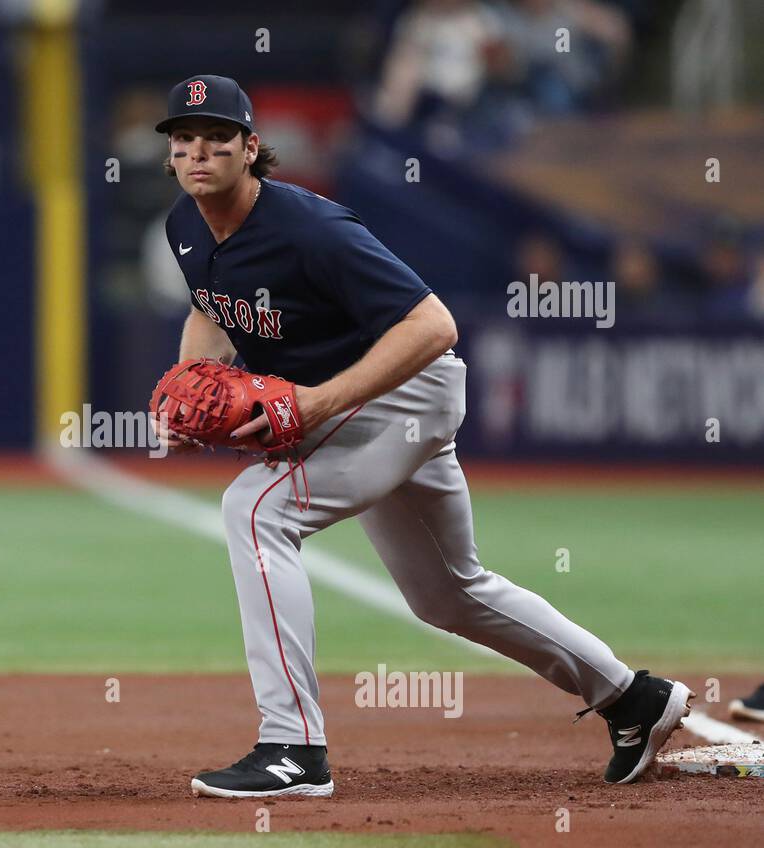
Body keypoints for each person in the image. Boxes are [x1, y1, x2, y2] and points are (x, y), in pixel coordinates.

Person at [149, 74, 691, 797]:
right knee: (449, 594)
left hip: (406, 392)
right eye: (184, 141)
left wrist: (318, 404)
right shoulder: (185, 226)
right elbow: (213, 309)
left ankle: (293, 748)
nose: (198, 153)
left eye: (218, 139)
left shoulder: (312, 229)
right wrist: (193, 382)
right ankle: (633, 698)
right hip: (363, 404)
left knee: (255, 508)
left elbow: (435, 326)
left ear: (252, 148)